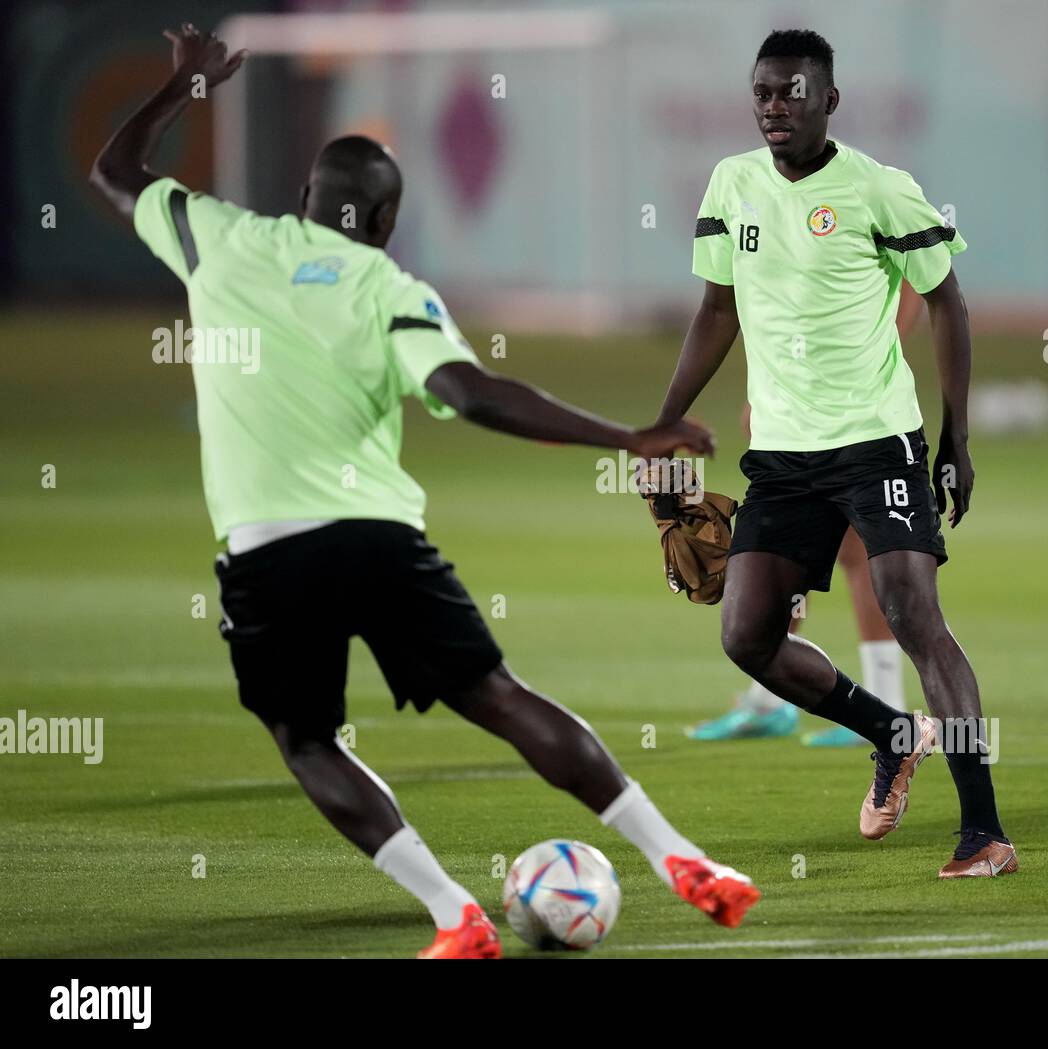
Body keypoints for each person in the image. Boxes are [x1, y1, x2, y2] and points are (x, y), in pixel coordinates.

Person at [89, 23, 760, 958]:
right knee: (498, 694)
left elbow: (115, 172)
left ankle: (455, 914)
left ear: (301, 200)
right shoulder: (388, 286)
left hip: (268, 549)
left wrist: (185, 87)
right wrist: (626, 436)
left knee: (307, 738)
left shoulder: (224, 239)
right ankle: (681, 854)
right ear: (388, 223)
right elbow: (468, 393)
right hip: (380, 540)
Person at [654, 29, 1016, 877]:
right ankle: (891, 733)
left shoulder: (879, 190)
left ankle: (985, 832)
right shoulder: (731, 185)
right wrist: (665, 420)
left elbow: (949, 300)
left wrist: (956, 435)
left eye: (791, 91)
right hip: (781, 454)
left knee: (911, 610)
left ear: (829, 99)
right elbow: (717, 310)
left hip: (877, 442)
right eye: (762, 92)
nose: (774, 106)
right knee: (746, 634)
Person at [688, 283, 924, 747]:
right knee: (787, 547)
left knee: (855, 550)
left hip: (849, 411)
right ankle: (771, 697)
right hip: (797, 402)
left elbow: (913, 283)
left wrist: (862, 370)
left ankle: (884, 699)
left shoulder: (859, 212)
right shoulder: (784, 218)